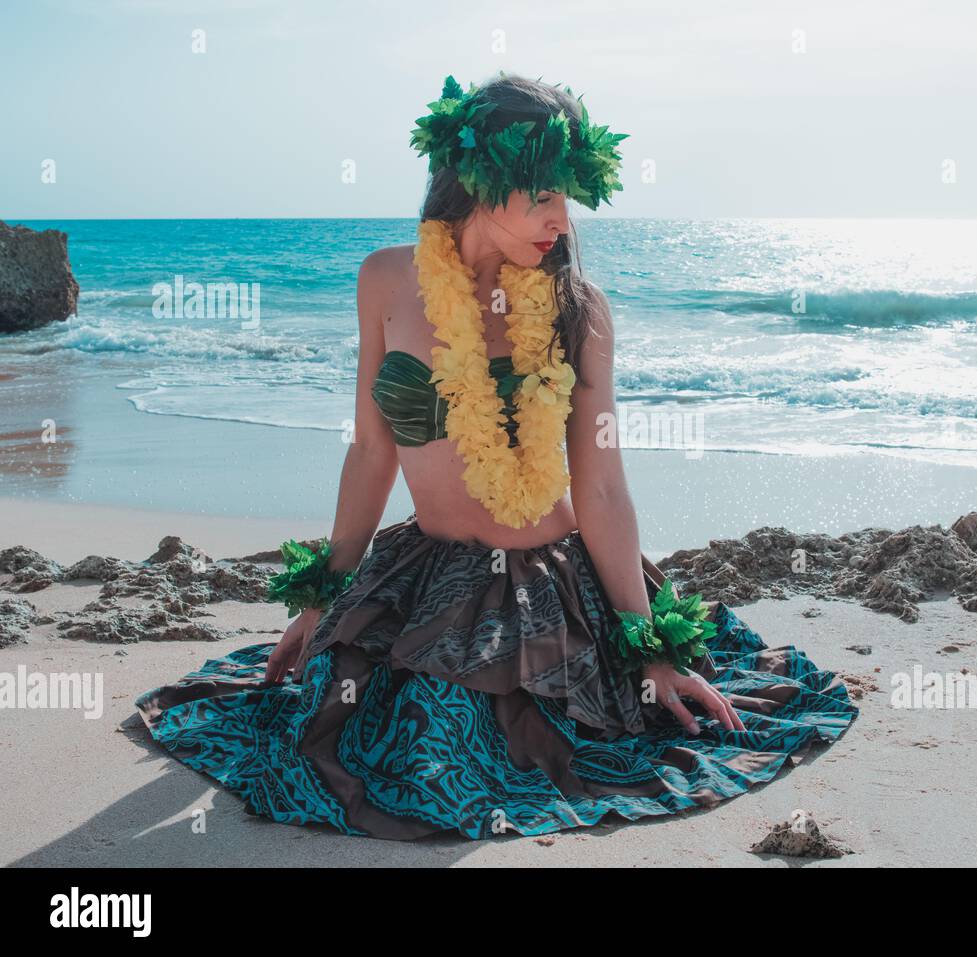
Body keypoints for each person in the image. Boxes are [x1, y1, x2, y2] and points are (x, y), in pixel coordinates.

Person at [134, 72, 858, 840]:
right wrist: (325, 596)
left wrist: (649, 649)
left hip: (552, 593)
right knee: (371, 737)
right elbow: (373, 452)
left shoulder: (580, 309)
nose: (560, 220)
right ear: (479, 177)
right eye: (542, 195)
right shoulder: (386, 280)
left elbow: (603, 488)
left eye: (566, 198)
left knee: (477, 757)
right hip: (423, 579)